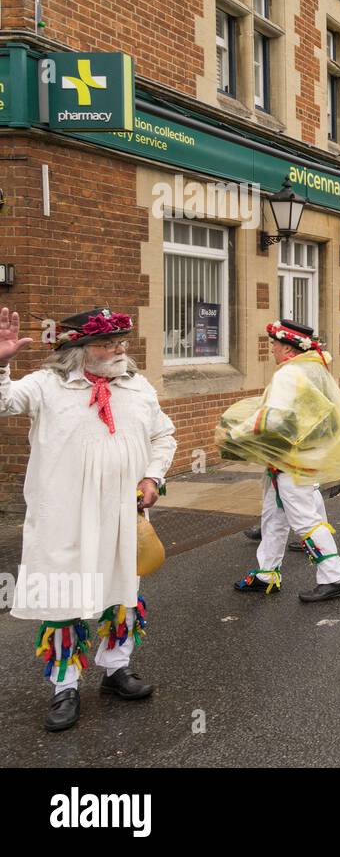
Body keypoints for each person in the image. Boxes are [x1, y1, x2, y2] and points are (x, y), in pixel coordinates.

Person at [0, 306, 176, 732]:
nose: (118, 349)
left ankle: (116, 669)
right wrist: (1, 363)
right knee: (64, 597)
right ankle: (65, 685)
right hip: (64, 517)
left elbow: (163, 434)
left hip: (123, 514)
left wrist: (153, 475)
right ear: (76, 348)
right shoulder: (47, 386)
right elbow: (4, 402)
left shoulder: (137, 386)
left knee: (123, 592)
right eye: (106, 343)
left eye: (120, 342)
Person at [221, 320, 340, 603]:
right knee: (273, 516)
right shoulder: (314, 368)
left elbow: (274, 416)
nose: (272, 350)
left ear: (289, 349)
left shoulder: (289, 373)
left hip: (292, 460)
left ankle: (334, 577)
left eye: (275, 345)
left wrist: (235, 433)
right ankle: (267, 573)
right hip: (299, 456)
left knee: (304, 520)